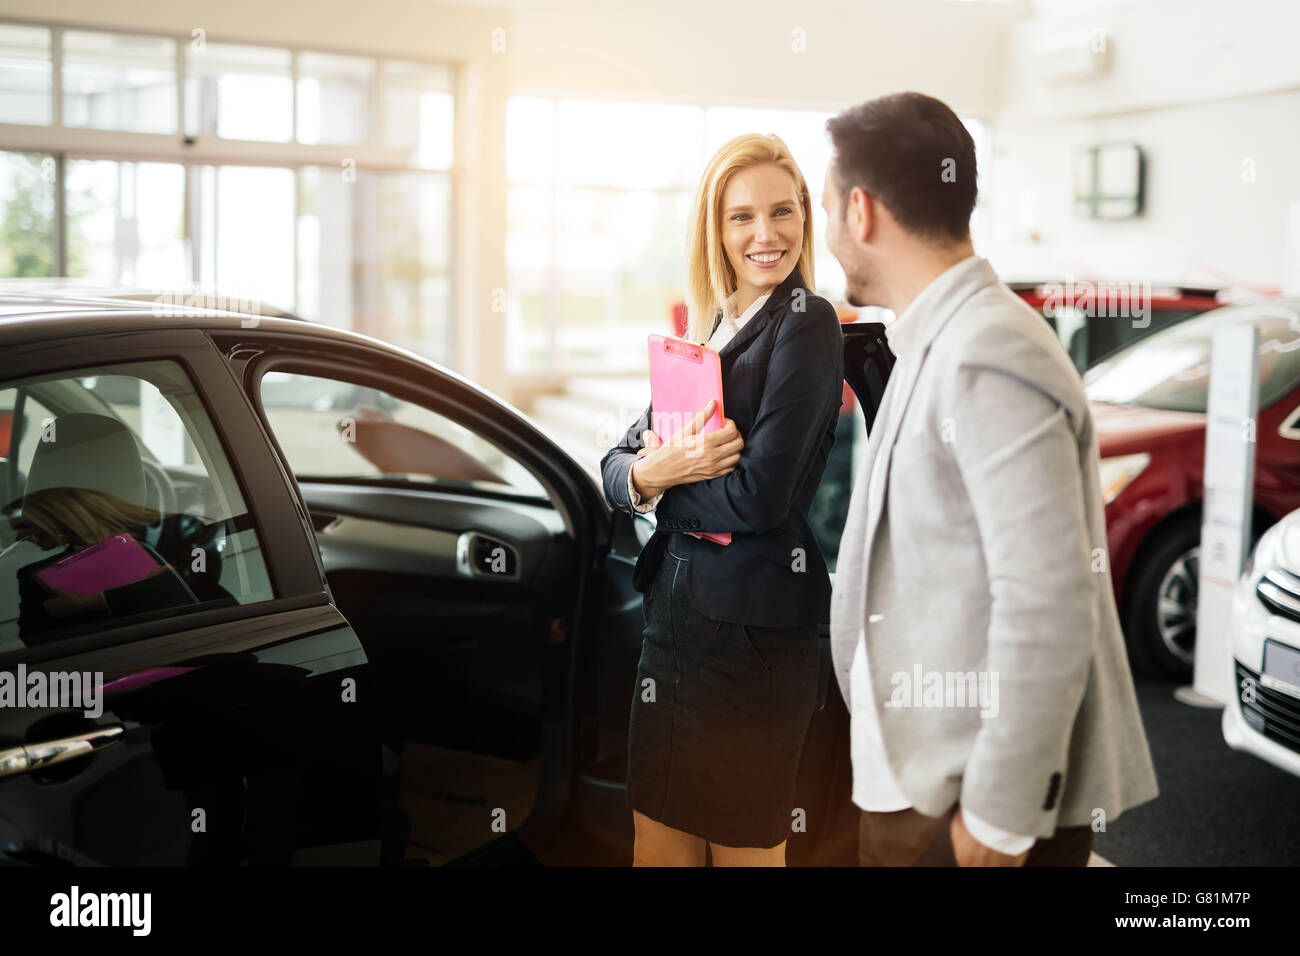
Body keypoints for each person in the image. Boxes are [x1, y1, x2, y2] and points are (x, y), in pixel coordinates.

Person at [822, 92, 1158, 866]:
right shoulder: (935, 337)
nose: (830, 233)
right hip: (919, 785)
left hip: (967, 810)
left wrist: (1000, 818)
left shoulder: (987, 350)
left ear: (863, 211)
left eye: (830, 207)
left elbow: (1047, 595)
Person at [600, 133, 844, 866]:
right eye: (741, 217)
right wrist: (653, 473)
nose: (764, 235)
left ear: (805, 217)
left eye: (782, 211)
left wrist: (661, 485)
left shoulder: (806, 321)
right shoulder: (711, 327)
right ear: (717, 228)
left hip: (753, 639)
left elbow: (760, 499)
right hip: (675, 623)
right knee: (658, 845)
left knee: (742, 850)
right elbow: (614, 466)